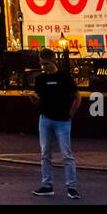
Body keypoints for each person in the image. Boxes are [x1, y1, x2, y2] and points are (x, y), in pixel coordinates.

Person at [32, 48, 80, 199]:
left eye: (45, 63)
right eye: (41, 64)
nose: (43, 67)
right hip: (45, 118)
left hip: (62, 121)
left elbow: (77, 97)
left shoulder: (64, 77)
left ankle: (71, 187)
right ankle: (47, 185)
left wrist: (71, 113)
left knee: (67, 154)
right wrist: (34, 99)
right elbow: (39, 99)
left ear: (52, 61)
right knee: (45, 153)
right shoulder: (40, 79)